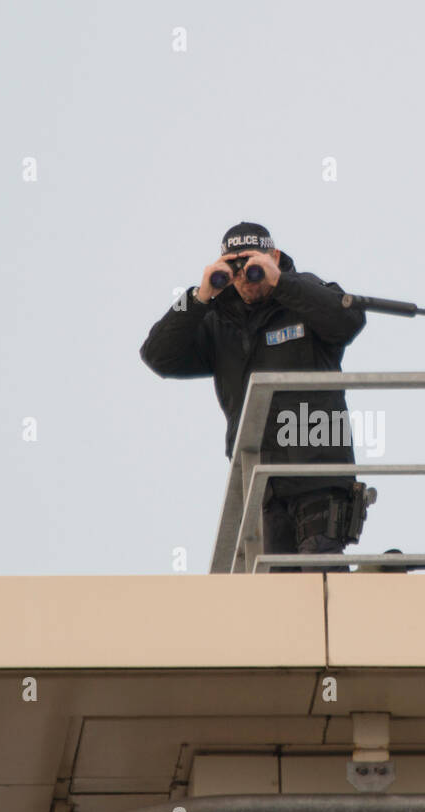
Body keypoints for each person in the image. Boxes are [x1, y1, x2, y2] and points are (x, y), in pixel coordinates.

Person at [140, 222, 368, 571]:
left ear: (274, 257)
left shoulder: (304, 292)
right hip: (263, 481)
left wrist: (281, 281)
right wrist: (198, 297)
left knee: (320, 576)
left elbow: (348, 318)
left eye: (253, 264)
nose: (245, 276)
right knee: (278, 596)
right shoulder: (218, 321)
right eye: (234, 267)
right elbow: (158, 355)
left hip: (319, 468)